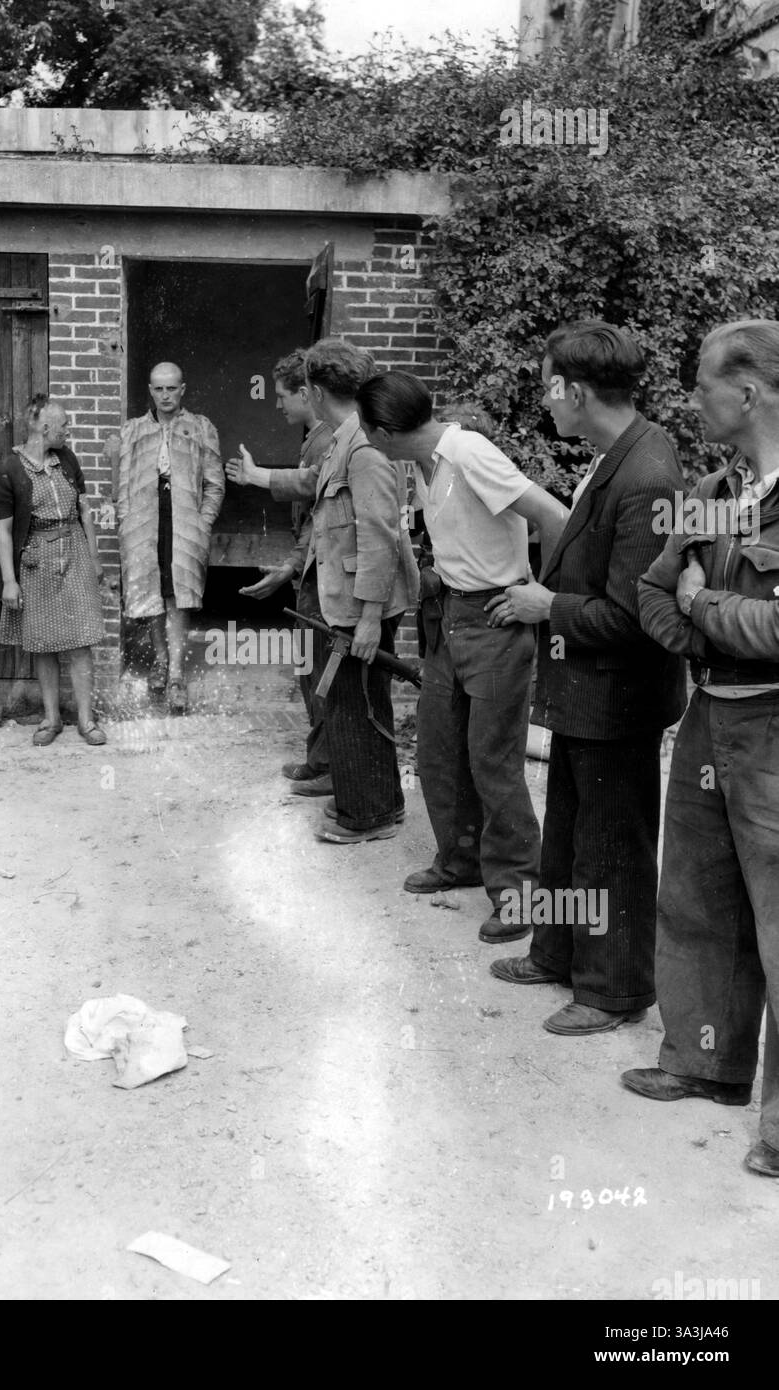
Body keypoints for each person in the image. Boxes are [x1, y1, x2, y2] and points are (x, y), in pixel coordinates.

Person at [485, 321, 687, 1035]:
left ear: (574, 390)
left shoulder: (647, 473)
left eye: (548, 385)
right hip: (584, 694)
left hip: (617, 699)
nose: (544, 399)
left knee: (612, 850)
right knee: (570, 834)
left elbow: (637, 615)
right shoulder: (616, 455)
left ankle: (613, 989)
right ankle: (557, 953)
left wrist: (548, 606)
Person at [622, 319, 779, 1178]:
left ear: (747, 391)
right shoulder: (713, 488)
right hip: (710, 714)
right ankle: (704, 1062)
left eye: (701, 383)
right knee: (693, 897)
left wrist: (704, 610)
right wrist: (696, 627)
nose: (691, 399)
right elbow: (653, 588)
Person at [355, 370, 568, 939]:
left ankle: (520, 895)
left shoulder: (469, 452)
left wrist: (539, 596)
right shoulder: (423, 466)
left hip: (497, 621)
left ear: (382, 432)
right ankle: (461, 860)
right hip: (451, 618)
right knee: (439, 751)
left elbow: (555, 518)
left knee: (494, 764)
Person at [233, 339, 419, 842]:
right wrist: (258, 477)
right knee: (354, 702)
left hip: (362, 601)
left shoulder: (363, 448)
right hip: (349, 595)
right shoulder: (346, 438)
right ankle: (377, 803)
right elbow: (312, 480)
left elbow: (379, 534)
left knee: (356, 704)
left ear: (315, 391)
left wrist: (368, 616)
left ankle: (369, 815)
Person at [225, 348, 333, 795]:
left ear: (306, 394)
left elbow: (313, 492)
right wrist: (290, 566)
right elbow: (313, 520)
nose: (277, 405)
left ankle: (332, 768)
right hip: (312, 570)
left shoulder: (330, 438)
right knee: (310, 668)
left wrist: (258, 477)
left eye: (283, 396)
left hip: (330, 578)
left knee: (324, 670)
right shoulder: (316, 434)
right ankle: (322, 758)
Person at [104, 362, 224, 713]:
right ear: (150, 390)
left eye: (171, 388)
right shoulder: (133, 430)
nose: (165, 395)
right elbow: (120, 486)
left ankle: (175, 674)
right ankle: (159, 660)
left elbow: (215, 483)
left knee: (178, 595)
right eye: (158, 389)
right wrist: (126, 522)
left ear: (183, 389)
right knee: (153, 591)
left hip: (183, 519)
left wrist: (203, 523)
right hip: (145, 520)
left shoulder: (200, 428)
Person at [0, 396, 112, 746]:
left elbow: (85, 511)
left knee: (81, 641)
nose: (68, 431)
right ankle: (51, 718)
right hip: (36, 559)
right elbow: (3, 530)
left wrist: (94, 558)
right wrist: (9, 581)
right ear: (45, 428)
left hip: (73, 549)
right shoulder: (10, 469)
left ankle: (86, 721)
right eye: (64, 426)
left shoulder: (68, 459)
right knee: (44, 644)